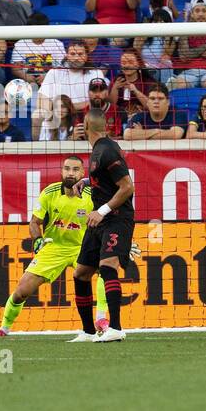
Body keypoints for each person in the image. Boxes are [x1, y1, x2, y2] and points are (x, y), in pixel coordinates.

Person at [0, 156, 112, 337]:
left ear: (83, 173)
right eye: (67, 168)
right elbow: (34, 222)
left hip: (83, 247)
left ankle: (100, 318)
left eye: (75, 169)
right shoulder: (49, 192)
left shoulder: (92, 195)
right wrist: (37, 240)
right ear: (61, 171)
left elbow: (107, 220)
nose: (70, 173)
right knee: (22, 291)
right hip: (54, 248)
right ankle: (3, 328)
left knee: (105, 270)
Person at [72, 107, 135, 342]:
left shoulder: (107, 150)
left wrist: (102, 210)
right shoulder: (100, 150)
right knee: (81, 274)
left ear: (86, 127)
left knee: (108, 266)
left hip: (116, 218)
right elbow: (108, 180)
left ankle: (116, 328)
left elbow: (127, 187)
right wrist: (87, 181)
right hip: (99, 220)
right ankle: (88, 331)